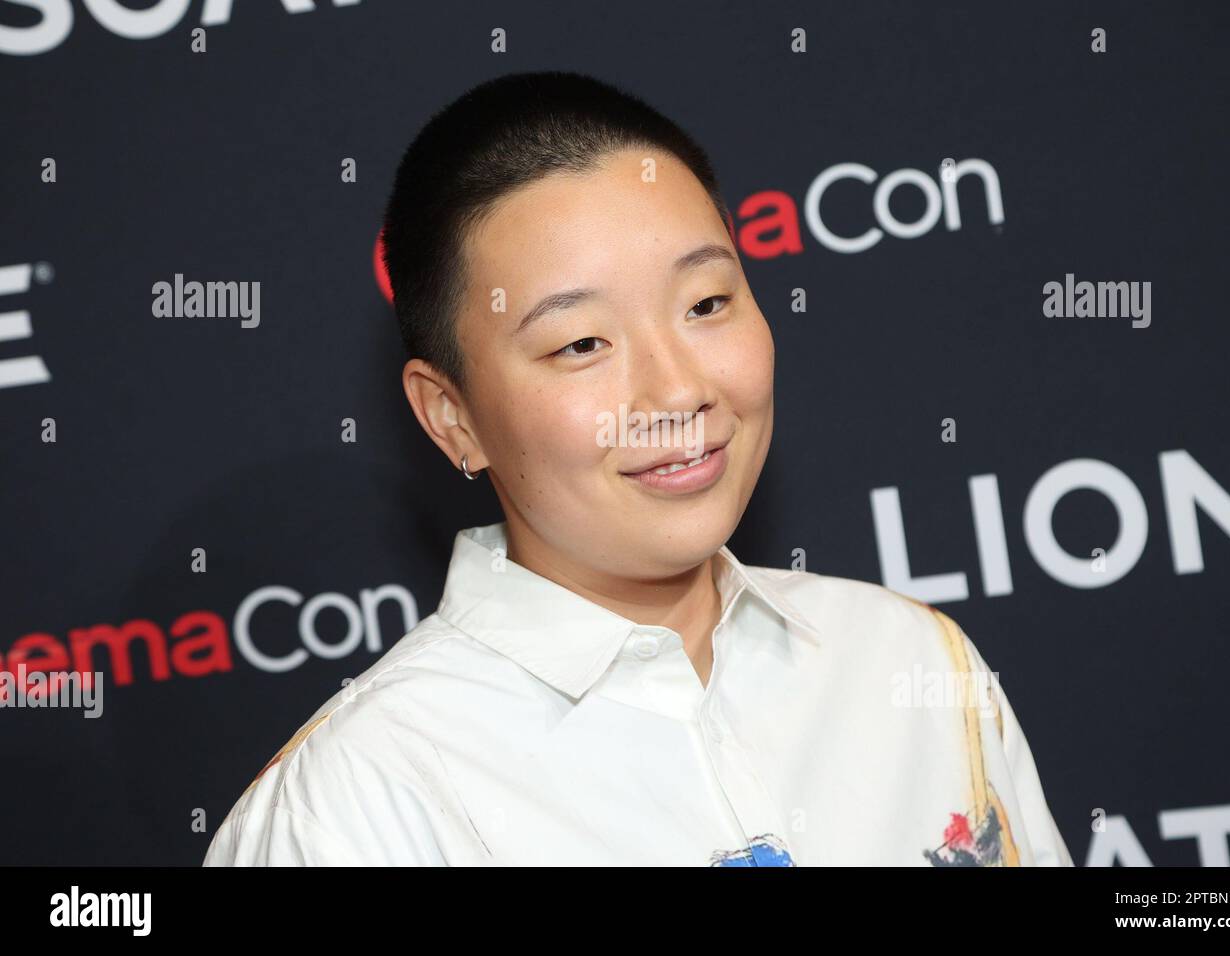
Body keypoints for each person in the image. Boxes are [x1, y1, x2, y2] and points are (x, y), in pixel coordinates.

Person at [203, 70, 1073, 867]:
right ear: (452, 416)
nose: (677, 389)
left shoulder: (906, 660)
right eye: (582, 343)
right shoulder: (355, 810)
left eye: (706, 304)